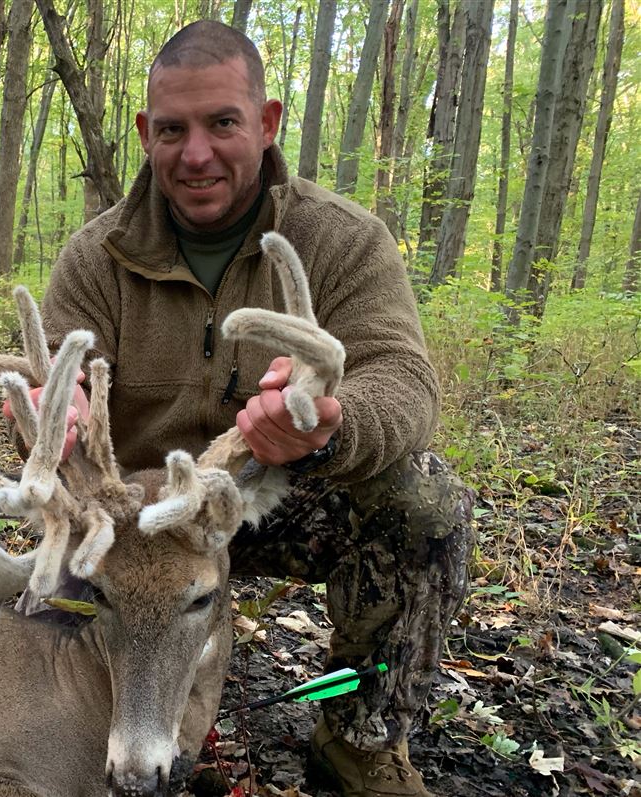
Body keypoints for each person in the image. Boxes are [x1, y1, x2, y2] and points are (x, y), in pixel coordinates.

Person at [33, 19, 474, 797]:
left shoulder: (342, 241)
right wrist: (57, 415)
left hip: (280, 493)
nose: (195, 153)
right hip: (146, 523)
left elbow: (404, 380)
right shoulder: (95, 258)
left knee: (425, 503)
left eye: (222, 123)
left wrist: (329, 424)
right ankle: (86, 718)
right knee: (35, 589)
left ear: (267, 123)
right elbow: (59, 386)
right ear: (145, 133)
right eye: (172, 129)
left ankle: (359, 737)